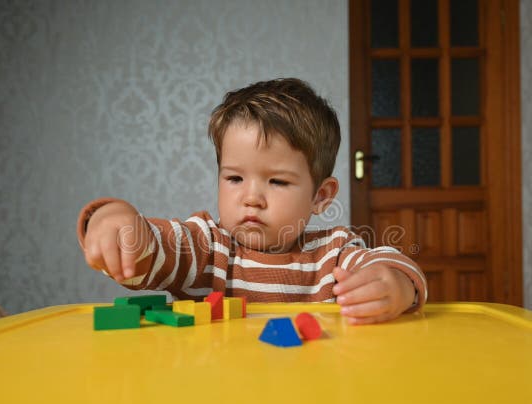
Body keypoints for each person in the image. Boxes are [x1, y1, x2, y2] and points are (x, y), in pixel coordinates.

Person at [77, 78, 427, 325]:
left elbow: (386, 261)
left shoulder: (334, 254)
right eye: (234, 178)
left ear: (320, 196)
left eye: (276, 181)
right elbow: (156, 247)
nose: (251, 198)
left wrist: (394, 285)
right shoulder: (206, 249)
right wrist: (116, 220)